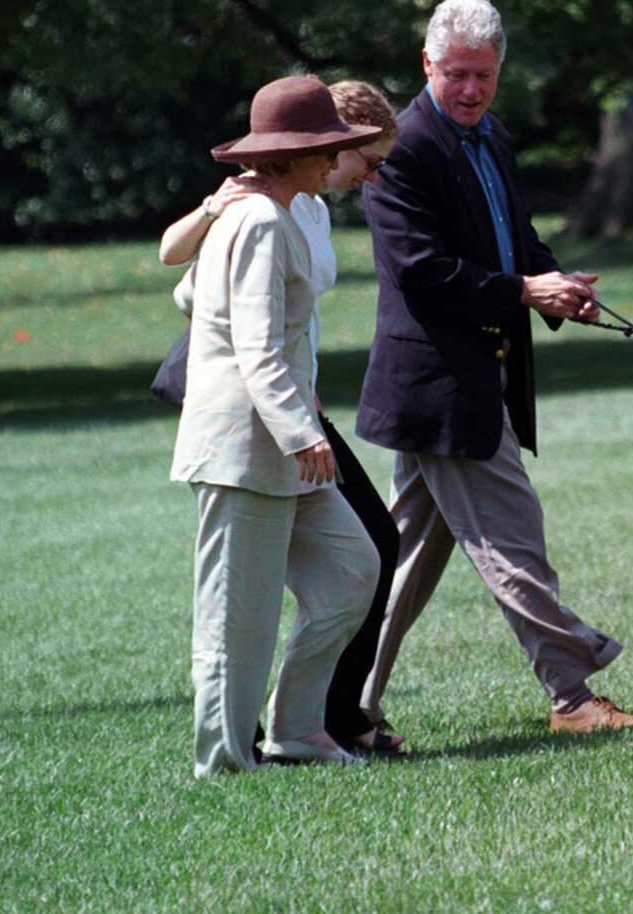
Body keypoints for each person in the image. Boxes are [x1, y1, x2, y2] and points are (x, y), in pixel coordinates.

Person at [356, 0, 633, 735]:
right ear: (426, 65)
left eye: (483, 75)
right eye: (455, 73)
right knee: (512, 539)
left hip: (477, 380)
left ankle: (337, 708)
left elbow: (517, 242)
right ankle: (574, 695)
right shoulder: (403, 148)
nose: (470, 89)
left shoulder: (493, 137)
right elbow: (420, 270)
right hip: (440, 389)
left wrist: (561, 294)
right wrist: (524, 290)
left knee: (394, 571)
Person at [160, 80, 407, 759]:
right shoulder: (259, 220)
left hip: (285, 438)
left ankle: (298, 731)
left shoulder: (288, 211)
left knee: (354, 567)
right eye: (326, 146)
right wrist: (305, 431)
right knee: (234, 620)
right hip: (247, 444)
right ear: (293, 154)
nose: (338, 158)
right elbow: (254, 346)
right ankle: (223, 763)